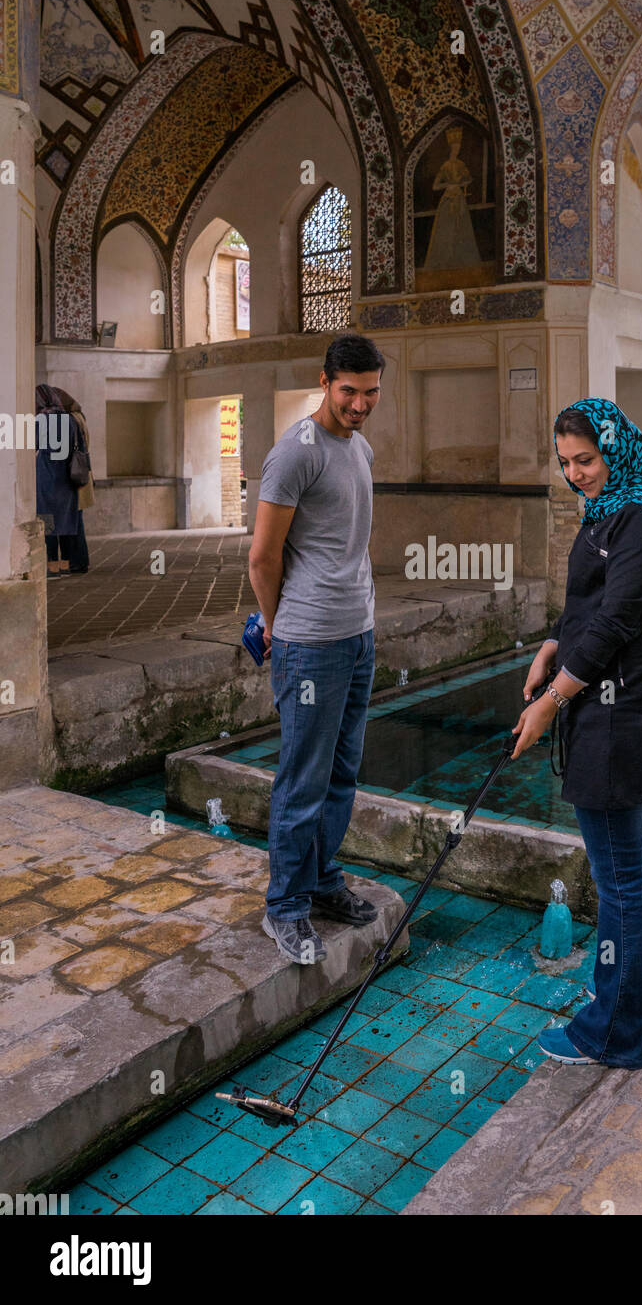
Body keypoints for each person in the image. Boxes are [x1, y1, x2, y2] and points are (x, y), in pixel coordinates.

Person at [511, 397, 642, 1070]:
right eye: (565, 463)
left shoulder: (638, 514)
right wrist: (552, 643)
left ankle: (615, 1032)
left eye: (585, 459)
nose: (575, 473)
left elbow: (619, 620)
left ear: (614, 451)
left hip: (617, 719)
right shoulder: (608, 509)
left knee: (618, 880)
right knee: (638, 864)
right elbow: (590, 605)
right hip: (607, 708)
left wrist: (549, 705)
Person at [249, 333, 385, 965]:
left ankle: (322, 880)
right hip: (309, 638)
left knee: (341, 773)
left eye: (370, 393)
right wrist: (277, 627)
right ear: (325, 382)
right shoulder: (293, 453)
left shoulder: (358, 448)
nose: (359, 404)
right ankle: (284, 907)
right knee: (302, 778)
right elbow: (262, 555)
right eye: (349, 392)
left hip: (358, 633)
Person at [35, 384, 80, 577]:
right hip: (68, 477)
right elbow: (80, 446)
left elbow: (32, 444)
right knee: (67, 521)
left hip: (46, 476)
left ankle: (52, 566)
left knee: (48, 522)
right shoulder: (70, 420)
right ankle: (65, 565)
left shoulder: (40, 419)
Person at [54, 388, 93, 573]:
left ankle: (78, 562)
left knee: (74, 525)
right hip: (79, 476)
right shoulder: (79, 416)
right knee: (75, 523)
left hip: (73, 477)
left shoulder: (70, 420)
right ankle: (78, 561)